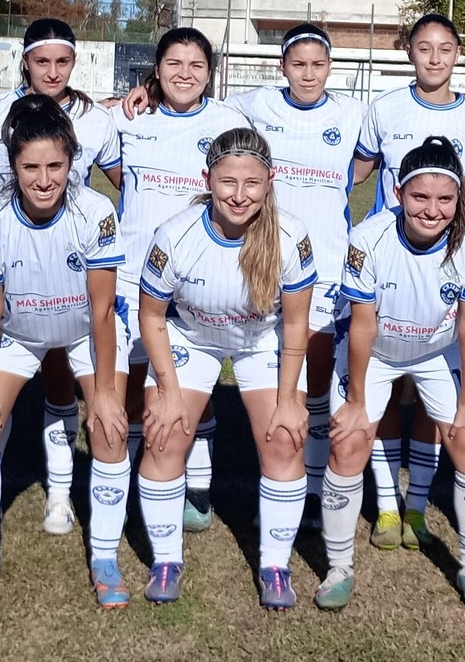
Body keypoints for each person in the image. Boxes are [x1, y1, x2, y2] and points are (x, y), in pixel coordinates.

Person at [120, 22, 367, 528]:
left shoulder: (355, 112)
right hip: (182, 263)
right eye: (298, 64)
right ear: (282, 67)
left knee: (310, 386)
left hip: (297, 265)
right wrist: (137, 92)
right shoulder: (247, 106)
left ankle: (314, 490)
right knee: (157, 384)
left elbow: (368, 165)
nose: (308, 73)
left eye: (317, 64)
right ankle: (176, 483)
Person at [0, 96, 130, 608]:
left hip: (82, 332)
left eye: (55, 165)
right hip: (19, 333)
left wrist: (106, 393)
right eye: (30, 167)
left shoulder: (95, 211)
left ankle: (104, 558)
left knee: (109, 428)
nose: (44, 179)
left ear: (72, 162)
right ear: (11, 165)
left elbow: (101, 311)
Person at [133, 128, 315, 610]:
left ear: (270, 181)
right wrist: (169, 392)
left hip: (262, 342)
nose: (239, 195)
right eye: (227, 182)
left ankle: (275, 565)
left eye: (252, 183)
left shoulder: (290, 236)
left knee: (284, 437)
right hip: (192, 337)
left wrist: (290, 398)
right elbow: (151, 316)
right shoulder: (174, 235)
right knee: (165, 433)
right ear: (206, 180)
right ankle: (166, 559)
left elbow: (297, 324)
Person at [316, 136, 465, 612]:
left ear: (460, 198)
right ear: (398, 193)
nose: (432, 210)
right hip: (375, 352)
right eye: (420, 197)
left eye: (445, 198)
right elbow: (361, 325)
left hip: (439, 353)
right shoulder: (369, 239)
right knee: (349, 440)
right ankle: (338, 567)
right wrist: (356, 402)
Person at [0, 18, 124, 538]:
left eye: (63, 62)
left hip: (73, 274)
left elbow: (126, 178)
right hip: (15, 269)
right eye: (43, 61)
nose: (53, 71)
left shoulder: (96, 119)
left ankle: (60, 496)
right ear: (25, 61)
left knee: (63, 377)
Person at [350, 12, 465, 551]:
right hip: (388, 263)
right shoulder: (383, 107)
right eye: (425, 48)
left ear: (458, 55)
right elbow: (353, 169)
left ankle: (416, 506)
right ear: (409, 51)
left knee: (434, 399)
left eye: (446, 49)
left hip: (445, 263)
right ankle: (387, 507)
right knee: (388, 395)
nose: (435, 58)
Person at [112, 28, 250, 529]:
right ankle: (128, 477)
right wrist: (121, 98)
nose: (185, 74)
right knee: (131, 382)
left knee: (195, 384)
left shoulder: (229, 120)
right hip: (132, 276)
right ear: (156, 67)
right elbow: (111, 168)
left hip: (197, 277)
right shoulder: (130, 117)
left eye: (196, 65)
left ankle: (197, 482)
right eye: (174, 63)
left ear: (210, 73)